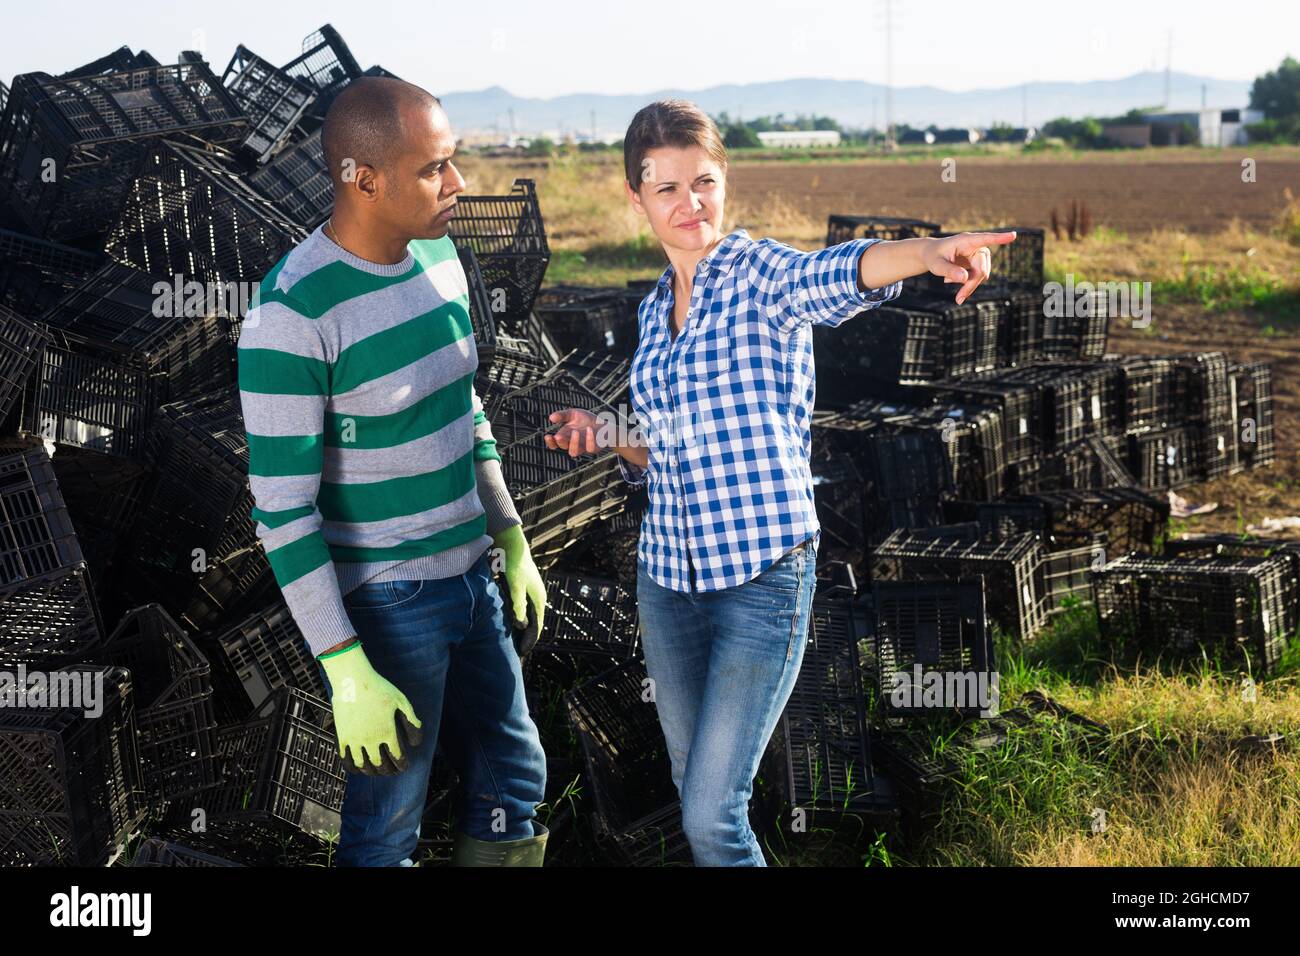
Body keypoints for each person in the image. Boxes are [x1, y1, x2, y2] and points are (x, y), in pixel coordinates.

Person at [545, 98, 1014, 866]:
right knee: (694, 786)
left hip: (761, 578)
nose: (689, 204)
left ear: (724, 180)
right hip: (669, 581)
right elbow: (663, 448)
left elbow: (838, 272)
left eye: (703, 182)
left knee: (711, 818)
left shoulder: (759, 275)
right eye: (666, 189)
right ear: (637, 199)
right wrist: (605, 433)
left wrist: (928, 251)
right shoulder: (655, 309)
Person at [237, 77, 550, 867]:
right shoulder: (292, 315)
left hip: (472, 575)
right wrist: (345, 668)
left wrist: (510, 534)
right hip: (390, 597)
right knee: (386, 825)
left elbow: (463, 407)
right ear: (365, 180)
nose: (458, 185)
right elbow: (282, 510)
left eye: (454, 162)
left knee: (515, 779)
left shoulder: (441, 259)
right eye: (433, 169)